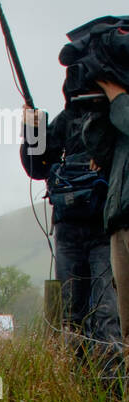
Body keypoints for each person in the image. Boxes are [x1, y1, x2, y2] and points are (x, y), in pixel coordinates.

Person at [21, 89, 122, 380]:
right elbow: (36, 167)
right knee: (72, 317)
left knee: (105, 313)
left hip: (103, 228)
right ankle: (80, 388)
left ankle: (111, 393)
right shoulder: (67, 119)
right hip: (69, 231)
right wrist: (32, 130)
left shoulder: (116, 113)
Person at [82, 78, 129, 353]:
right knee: (126, 327)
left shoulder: (122, 101)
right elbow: (101, 151)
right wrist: (99, 108)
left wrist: (117, 98)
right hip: (118, 220)